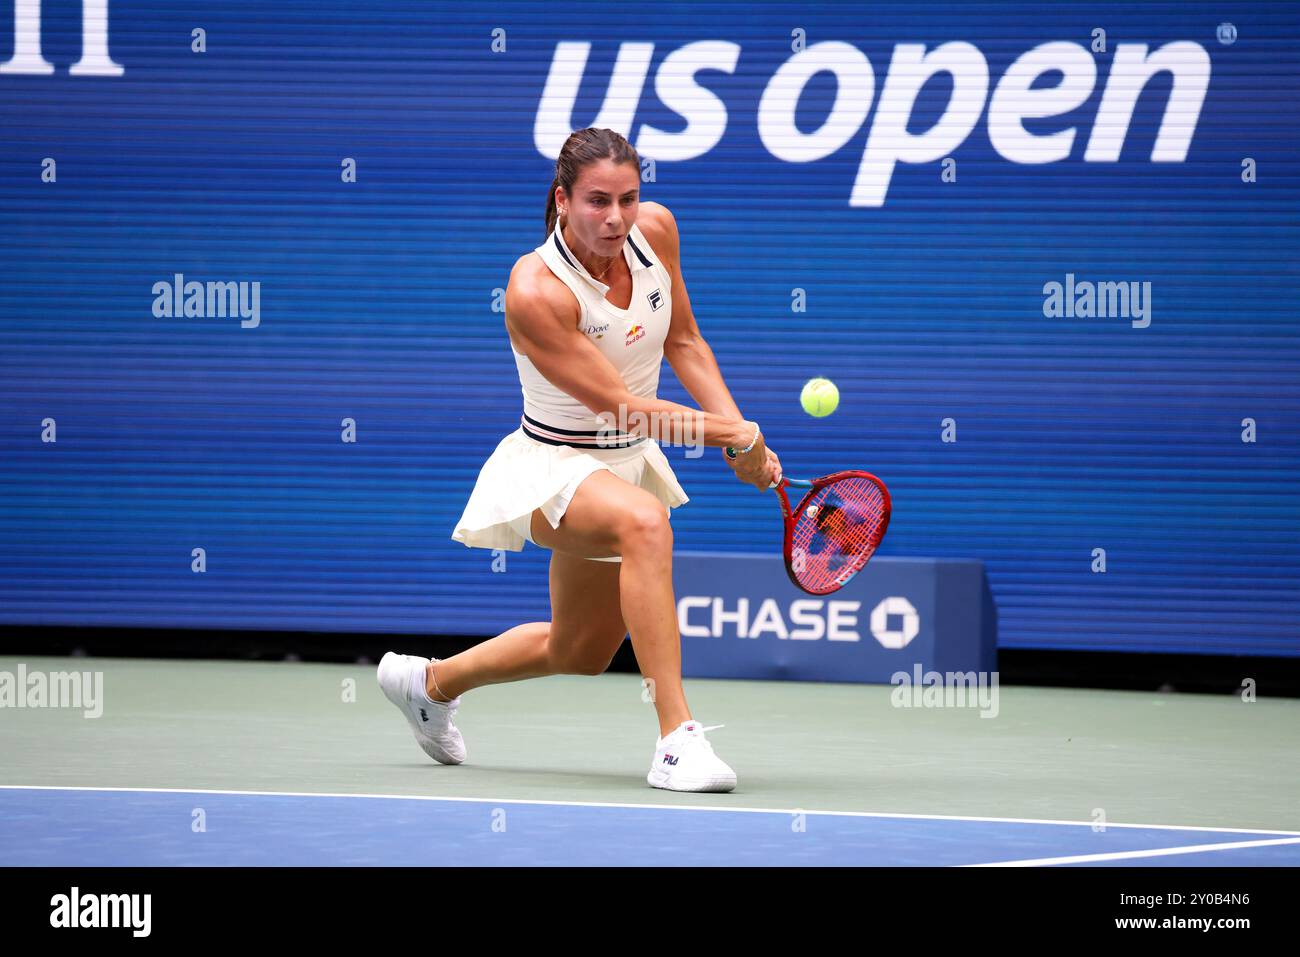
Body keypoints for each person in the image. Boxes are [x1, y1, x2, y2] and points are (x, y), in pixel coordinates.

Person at [378, 127, 780, 792]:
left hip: (624, 462)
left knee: (581, 649)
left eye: (627, 198)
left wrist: (738, 434)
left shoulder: (657, 232)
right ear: (561, 200)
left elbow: (683, 338)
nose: (616, 217)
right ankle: (676, 740)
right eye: (597, 201)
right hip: (551, 469)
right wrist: (738, 436)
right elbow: (619, 406)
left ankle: (429, 683)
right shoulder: (536, 289)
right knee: (647, 522)